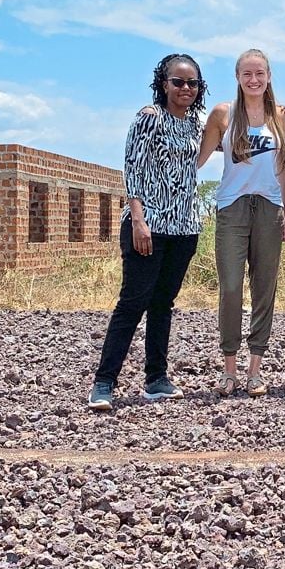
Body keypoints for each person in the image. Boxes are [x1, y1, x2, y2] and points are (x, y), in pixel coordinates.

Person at [87, 53, 208, 409]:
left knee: (162, 304)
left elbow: (226, 139)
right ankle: (104, 382)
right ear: (163, 83)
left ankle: (156, 379)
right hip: (149, 225)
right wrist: (139, 220)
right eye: (178, 82)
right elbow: (133, 169)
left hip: (185, 226)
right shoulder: (148, 119)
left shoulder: (194, 124)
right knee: (132, 303)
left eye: (192, 83)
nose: (185, 88)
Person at [198, 48, 285, 397]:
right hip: (232, 206)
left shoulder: (281, 117)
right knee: (231, 287)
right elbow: (200, 156)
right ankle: (229, 369)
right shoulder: (224, 113)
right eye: (247, 74)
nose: (254, 80)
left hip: (269, 207)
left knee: (264, 287)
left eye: (260, 73)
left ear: (268, 76)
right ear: (238, 77)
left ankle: (255, 369)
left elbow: (284, 165)